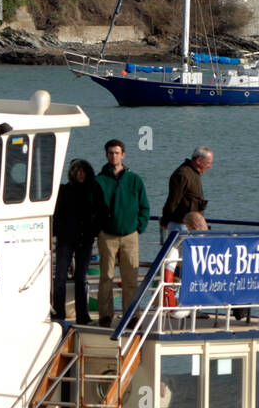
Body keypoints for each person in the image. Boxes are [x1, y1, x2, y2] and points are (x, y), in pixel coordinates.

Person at [94, 139, 149, 328]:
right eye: (110, 152)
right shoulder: (99, 180)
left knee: (130, 278)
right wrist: (98, 228)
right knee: (106, 278)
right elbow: (91, 209)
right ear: (106, 155)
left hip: (130, 236)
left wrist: (138, 227)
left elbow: (144, 207)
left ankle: (132, 315)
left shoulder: (134, 179)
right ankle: (105, 316)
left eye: (117, 153)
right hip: (107, 236)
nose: (113, 156)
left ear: (123, 155)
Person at [52, 159, 101, 324]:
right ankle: (58, 313)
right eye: (77, 171)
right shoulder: (64, 191)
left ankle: (82, 315)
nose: (80, 174)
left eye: (83, 171)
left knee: (81, 277)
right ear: (72, 173)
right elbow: (57, 214)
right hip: (66, 239)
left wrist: (94, 230)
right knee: (60, 277)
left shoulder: (93, 190)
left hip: (85, 239)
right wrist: (58, 232)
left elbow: (101, 210)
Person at [159, 147, 213, 233]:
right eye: (208, 163)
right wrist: (165, 221)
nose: (210, 166)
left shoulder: (193, 174)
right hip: (181, 226)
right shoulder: (183, 174)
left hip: (190, 226)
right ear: (199, 160)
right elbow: (173, 201)